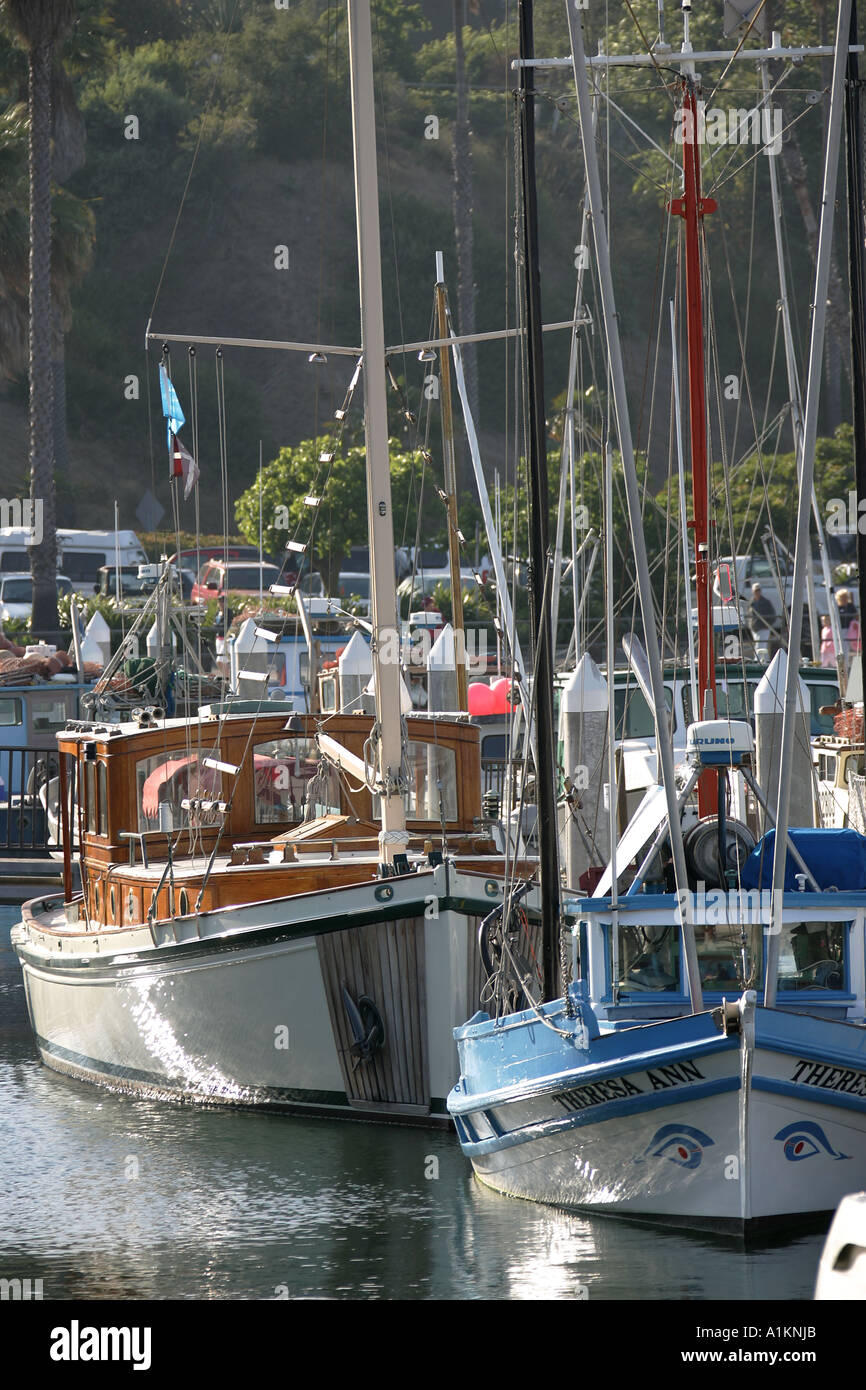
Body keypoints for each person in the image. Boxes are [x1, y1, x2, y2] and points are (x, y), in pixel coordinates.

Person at [745, 583, 781, 661]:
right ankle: (765, 660)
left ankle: (758, 661)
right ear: (753, 591)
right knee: (760, 645)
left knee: (760, 645)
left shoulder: (766, 602)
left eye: (758, 590)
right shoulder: (751, 603)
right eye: (755, 591)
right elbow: (748, 614)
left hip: (764, 628)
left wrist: (767, 625)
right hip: (754, 629)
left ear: (760, 591)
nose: (757, 592)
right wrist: (750, 625)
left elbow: (773, 615)